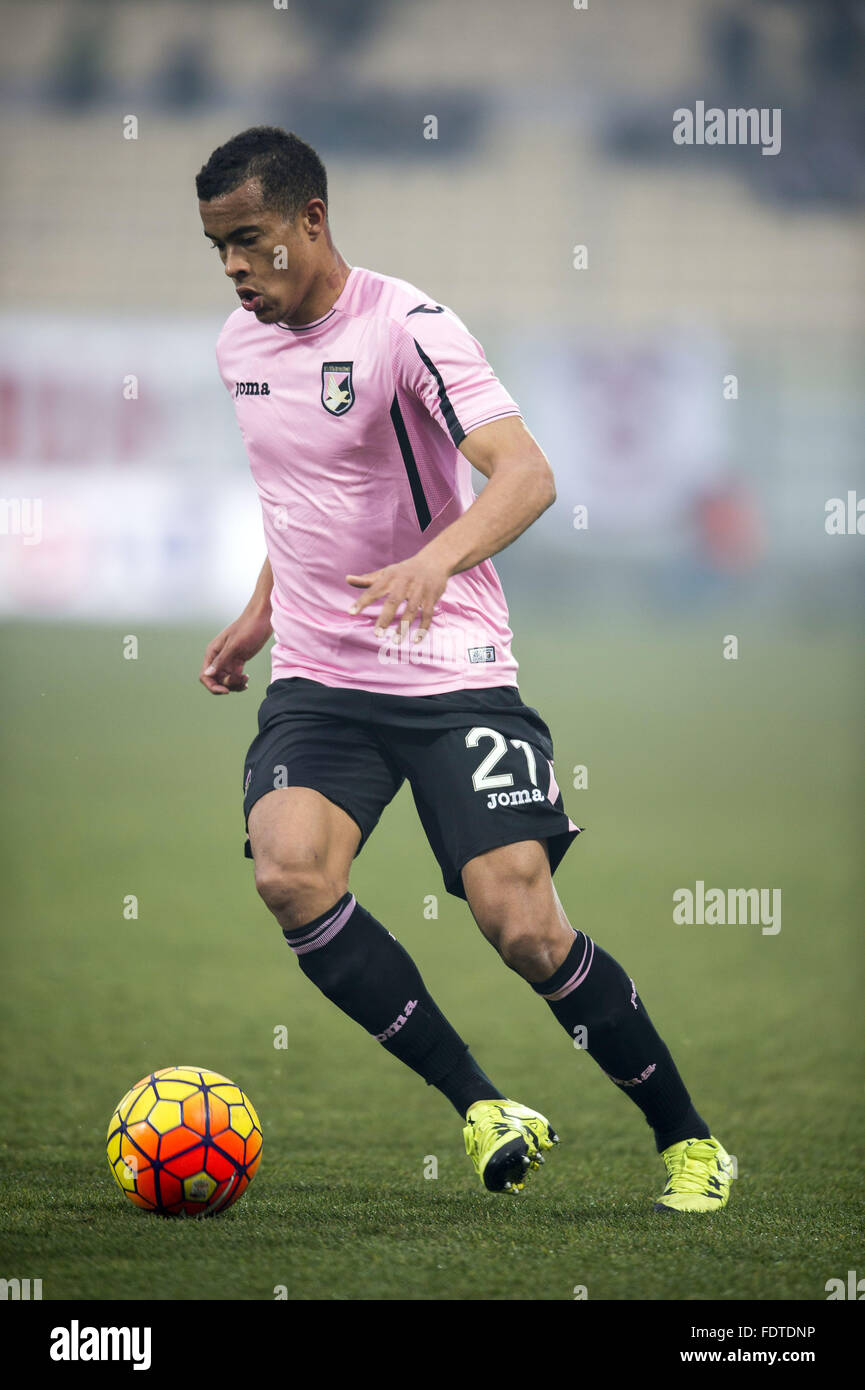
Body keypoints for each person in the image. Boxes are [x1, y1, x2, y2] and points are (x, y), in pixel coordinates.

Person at [196, 126, 734, 1211]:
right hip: (321, 674)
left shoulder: (409, 327)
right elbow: (304, 499)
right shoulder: (236, 349)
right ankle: (484, 1103)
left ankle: (688, 1141)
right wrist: (259, 611)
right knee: (289, 870)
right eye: (217, 249)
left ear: (312, 219)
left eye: (250, 240)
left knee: (521, 922)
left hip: (449, 667)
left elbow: (527, 473)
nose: (235, 269)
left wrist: (432, 565)